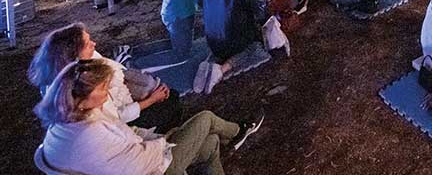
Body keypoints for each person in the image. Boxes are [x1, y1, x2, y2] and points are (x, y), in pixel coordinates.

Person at [35, 59, 263, 175]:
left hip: (143, 154)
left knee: (211, 143)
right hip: (152, 169)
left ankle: (235, 133)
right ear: (83, 96)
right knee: (204, 118)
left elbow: (124, 139)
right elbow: (137, 164)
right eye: (103, 88)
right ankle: (239, 131)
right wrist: (162, 142)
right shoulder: (87, 134)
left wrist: (153, 138)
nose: (106, 94)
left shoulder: (69, 120)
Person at [29, 23, 183, 133]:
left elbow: (118, 71)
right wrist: (152, 99)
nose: (94, 44)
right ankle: (165, 138)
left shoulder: (84, 61)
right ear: (75, 54)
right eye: (89, 44)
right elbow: (118, 116)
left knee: (167, 93)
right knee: (172, 103)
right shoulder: (81, 85)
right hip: (121, 123)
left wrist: (146, 87)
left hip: (123, 98)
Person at [194, 0, 266, 94]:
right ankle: (221, 69)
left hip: (212, 37)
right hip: (234, 36)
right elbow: (251, 2)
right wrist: (262, 18)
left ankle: (210, 64)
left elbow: (198, 0)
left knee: (225, 47)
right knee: (255, 47)